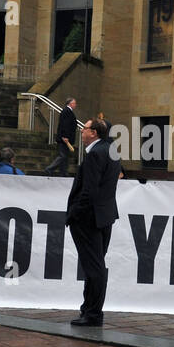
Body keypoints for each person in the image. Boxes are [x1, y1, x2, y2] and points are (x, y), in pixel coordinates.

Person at [66, 118, 119, 327]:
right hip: (105, 216)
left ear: (94, 133)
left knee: (94, 268)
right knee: (95, 266)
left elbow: (89, 191)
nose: (81, 131)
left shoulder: (96, 154)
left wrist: (74, 214)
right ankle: (88, 309)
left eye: (85, 128)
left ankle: (93, 313)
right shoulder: (111, 150)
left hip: (89, 218)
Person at [43, 98, 79, 176]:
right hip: (64, 138)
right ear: (70, 104)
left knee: (65, 156)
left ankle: (63, 172)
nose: (75, 105)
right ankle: (49, 169)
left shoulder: (68, 111)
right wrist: (65, 136)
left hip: (65, 138)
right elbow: (65, 125)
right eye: (74, 103)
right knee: (62, 156)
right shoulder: (67, 111)